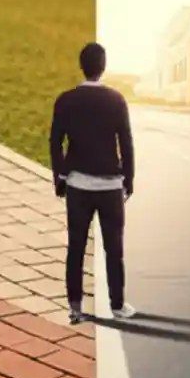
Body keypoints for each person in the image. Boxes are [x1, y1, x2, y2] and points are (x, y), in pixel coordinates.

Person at [50, 42, 136, 324]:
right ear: (103, 66)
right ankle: (117, 305)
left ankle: (75, 308)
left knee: (76, 247)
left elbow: (55, 141)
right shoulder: (116, 100)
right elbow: (126, 142)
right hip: (110, 187)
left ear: (81, 65)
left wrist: (60, 177)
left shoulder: (66, 100)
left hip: (78, 186)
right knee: (114, 248)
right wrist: (129, 179)